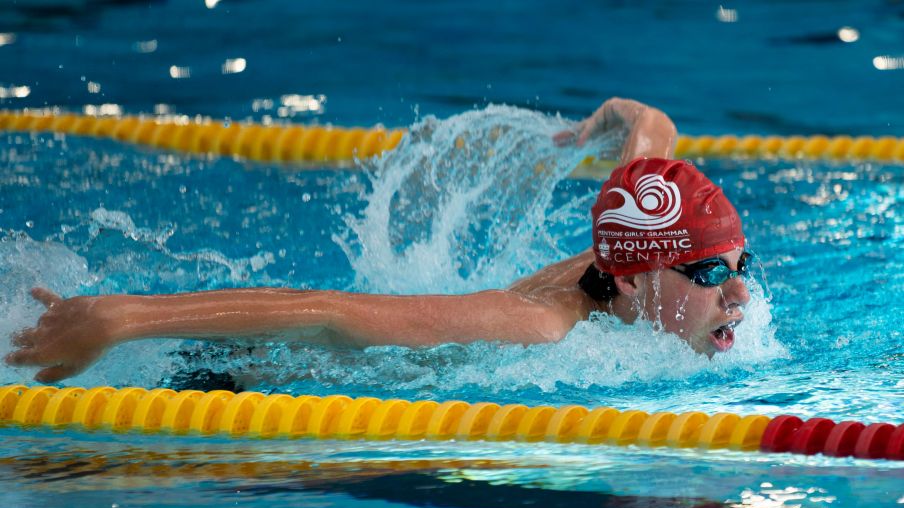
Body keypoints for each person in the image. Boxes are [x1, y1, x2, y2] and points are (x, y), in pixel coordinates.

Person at [5, 98, 750, 383]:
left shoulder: (632, 251)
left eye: (740, 265)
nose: (739, 293)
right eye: (712, 270)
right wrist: (122, 320)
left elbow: (654, 136)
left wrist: (636, 117)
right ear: (630, 281)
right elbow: (329, 310)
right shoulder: (536, 327)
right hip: (253, 371)